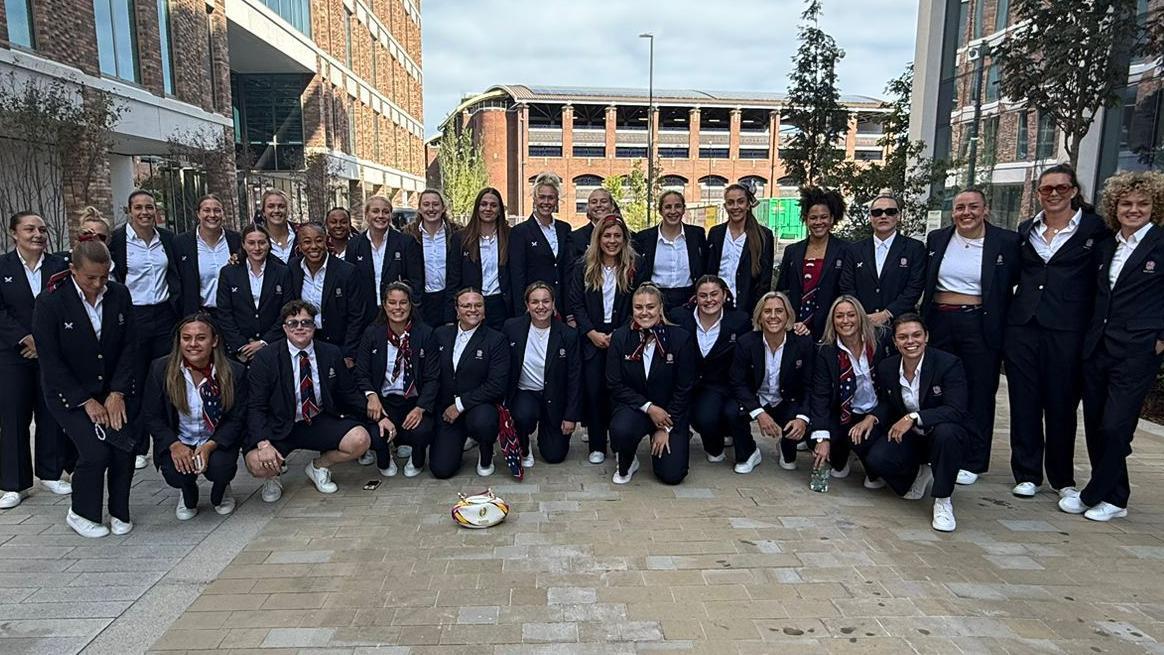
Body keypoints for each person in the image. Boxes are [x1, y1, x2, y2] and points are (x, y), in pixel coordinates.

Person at [1059, 171, 1164, 522]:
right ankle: (1116, 498)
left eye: (1142, 204)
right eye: (1126, 204)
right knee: (1095, 421)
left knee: (1116, 426)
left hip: (1138, 348)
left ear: (1155, 206)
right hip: (1098, 346)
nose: (1134, 210)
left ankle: (1095, 492)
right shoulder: (1108, 245)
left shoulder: (1160, 245)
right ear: (1114, 207)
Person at [1006, 164, 1111, 499]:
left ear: (1074, 191)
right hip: (1024, 326)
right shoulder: (1026, 229)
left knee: (1061, 403)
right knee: (1024, 402)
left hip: (1067, 329)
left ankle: (1062, 478)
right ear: (1038, 193)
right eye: (1046, 189)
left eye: (1061, 188)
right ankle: (1026, 472)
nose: (1053, 194)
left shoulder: (1096, 230)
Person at [33, 239, 138, 538]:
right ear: (73, 270)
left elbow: (130, 346)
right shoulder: (51, 302)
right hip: (69, 392)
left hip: (111, 388)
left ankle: (120, 510)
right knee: (94, 453)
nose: (98, 283)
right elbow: (50, 360)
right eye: (91, 277)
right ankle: (82, 512)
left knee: (123, 446)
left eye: (104, 276)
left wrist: (117, 392)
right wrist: (86, 402)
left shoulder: (119, 295)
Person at [921, 189, 1020, 488]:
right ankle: (936, 449)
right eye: (960, 207)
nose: (967, 213)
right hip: (940, 320)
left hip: (979, 322)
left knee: (979, 390)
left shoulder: (1006, 241)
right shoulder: (938, 239)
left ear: (985, 209)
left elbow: (1014, 281)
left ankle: (973, 459)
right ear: (953, 211)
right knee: (938, 388)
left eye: (973, 207)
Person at [244, 300, 372, 501]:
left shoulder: (330, 353)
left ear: (314, 325)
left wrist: (378, 414)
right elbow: (256, 406)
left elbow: (349, 393)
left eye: (306, 322)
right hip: (281, 424)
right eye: (293, 323)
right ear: (284, 328)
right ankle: (272, 475)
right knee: (255, 462)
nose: (300, 327)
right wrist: (263, 444)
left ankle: (318, 467)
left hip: (318, 419)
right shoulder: (266, 358)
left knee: (360, 439)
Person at [871, 313, 970, 532]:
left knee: (948, 434)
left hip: (939, 432)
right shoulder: (888, 367)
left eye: (916, 335)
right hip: (911, 436)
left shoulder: (948, 364)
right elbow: (887, 403)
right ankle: (919, 472)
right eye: (903, 337)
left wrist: (913, 417)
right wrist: (872, 417)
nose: (910, 341)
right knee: (877, 459)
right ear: (895, 342)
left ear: (926, 337)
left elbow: (956, 409)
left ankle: (943, 499)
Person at [0, 212, 73, 509]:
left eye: (41, 229)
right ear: (14, 233)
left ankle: (51, 471)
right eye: (30, 229)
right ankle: (13, 484)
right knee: (13, 416)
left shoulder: (60, 267)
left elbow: (68, 306)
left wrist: (42, 341)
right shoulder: (2, 267)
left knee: (50, 411)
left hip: (50, 351)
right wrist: (23, 338)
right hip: (11, 353)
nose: (37, 234)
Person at [143, 314, 246, 519]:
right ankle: (187, 491)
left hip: (214, 440)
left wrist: (210, 446)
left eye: (201, 338)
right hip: (181, 440)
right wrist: (174, 445)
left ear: (214, 340)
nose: (193, 344)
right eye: (186, 338)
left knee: (220, 468)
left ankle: (222, 487)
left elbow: (237, 419)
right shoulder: (160, 369)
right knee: (174, 472)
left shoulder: (234, 372)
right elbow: (152, 416)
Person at [109, 189, 181, 468]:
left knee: (166, 377)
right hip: (133, 316)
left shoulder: (167, 239)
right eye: (138, 208)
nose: (144, 212)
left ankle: (169, 437)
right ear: (129, 211)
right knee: (135, 380)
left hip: (164, 314)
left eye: (149, 207)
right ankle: (138, 444)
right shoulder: (118, 240)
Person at [568, 215, 643, 464]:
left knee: (619, 392)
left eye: (617, 236)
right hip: (592, 338)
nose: (612, 241)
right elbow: (576, 304)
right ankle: (598, 444)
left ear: (624, 239)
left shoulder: (634, 266)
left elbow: (639, 304)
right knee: (594, 391)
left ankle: (621, 442)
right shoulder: (583, 267)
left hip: (624, 337)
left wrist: (619, 335)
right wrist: (591, 333)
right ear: (598, 238)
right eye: (607, 236)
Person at [606, 283, 696, 485]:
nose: (644, 312)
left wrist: (665, 428)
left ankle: (675, 437)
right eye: (639, 307)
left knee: (672, 475)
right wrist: (649, 408)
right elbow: (614, 384)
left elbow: (684, 388)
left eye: (650, 307)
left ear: (660, 308)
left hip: (670, 413)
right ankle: (627, 459)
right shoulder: (620, 337)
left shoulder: (681, 339)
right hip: (635, 408)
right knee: (621, 430)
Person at [355, 282, 438, 478]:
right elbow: (361, 372)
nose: (397, 308)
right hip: (384, 401)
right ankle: (384, 457)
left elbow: (433, 378)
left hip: (413, 401)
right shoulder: (372, 334)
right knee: (377, 434)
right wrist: (371, 396)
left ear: (411, 305)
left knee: (422, 431)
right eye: (392, 302)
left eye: (403, 302)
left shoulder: (426, 334)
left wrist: (420, 408)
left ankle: (416, 456)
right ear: (384, 305)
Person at [428, 288, 510, 478]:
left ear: (484, 310)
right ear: (457, 310)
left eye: (478, 305)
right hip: (448, 410)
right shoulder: (440, 335)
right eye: (466, 306)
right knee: (441, 469)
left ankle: (485, 450)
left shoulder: (496, 340)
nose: (473, 310)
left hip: (479, 407)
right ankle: (460, 440)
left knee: (483, 422)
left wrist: (460, 404)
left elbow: (497, 385)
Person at [674, 275, 753, 470]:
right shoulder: (679, 317)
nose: (709, 300)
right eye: (703, 295)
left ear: (724, 294)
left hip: (717, 385)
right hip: (685, 383)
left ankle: (716, 446)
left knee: (706, 417)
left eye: (714, 294)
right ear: (696, 298)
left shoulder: (739, 320)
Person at [730, 291, 814, 471]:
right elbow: (738, 383)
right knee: (731, 411)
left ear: (788, 315)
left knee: (789, 463)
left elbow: (809, 385)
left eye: (779, 311)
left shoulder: (802, 342)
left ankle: (786, 447)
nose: (773, 316)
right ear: (759, 316)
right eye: (767, 311)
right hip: (757, 398)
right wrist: (758, 412)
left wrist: (802, 418)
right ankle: (749, 452)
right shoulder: (746, 343)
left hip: (787, 400)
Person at [808, 295, 886, 483]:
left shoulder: (881, 341)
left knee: (874, 472)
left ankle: (873, 463)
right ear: (832, 321)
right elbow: (820, 395)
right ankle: (843, 457)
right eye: (839, 316)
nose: (845, 321)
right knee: (815, 437)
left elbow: (892, 391)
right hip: (845, 413)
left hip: (877, 411)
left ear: (860, 317)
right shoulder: (826, 351)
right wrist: (822, 438)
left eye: (851, 315)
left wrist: (874, 416)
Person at [503, 282, 581, 466]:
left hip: (555, 398)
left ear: (553, 304)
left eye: (546, 301)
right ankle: (523, 442)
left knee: (554, 455)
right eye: (535, 302)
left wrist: (570, 416)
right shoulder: (511, 328)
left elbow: (575, 377)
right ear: (527, 305)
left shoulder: (568, 335)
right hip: (526, 393)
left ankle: (548, 434)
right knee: (522, 415)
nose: (541, 307)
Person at [838, 194, 926, 329]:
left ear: (898, 216)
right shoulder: (854, 250)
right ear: (871, 217)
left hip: (901, 324)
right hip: (862, 323)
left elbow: (915, 287)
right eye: (877, 212)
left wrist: (887, 314)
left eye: (890, 212)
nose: (883, 216)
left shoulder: (914, 248)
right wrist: (861, 314)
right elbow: (847, 286)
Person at [288, 223, 367, 365]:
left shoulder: (346, 271)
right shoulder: (292, 268)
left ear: (326, 241)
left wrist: (348, 352)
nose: (313, 246)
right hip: (302, 341)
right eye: (307, 242)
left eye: (319, 240)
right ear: (299, 246)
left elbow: (356, 316)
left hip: (337, 345)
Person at [777, 186, 850, 340]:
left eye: (823, 217)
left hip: (831, 328)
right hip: (796, 327)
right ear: (806, 219)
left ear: (832, 219)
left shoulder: (845, 250)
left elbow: (848, 291)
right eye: (813, 217)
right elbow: (782, 289)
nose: (818, 222)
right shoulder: (792, 251)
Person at [215, 224, 292, 363]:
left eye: (262, 242)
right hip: (240, 354)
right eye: (251, 243)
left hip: (274, 349)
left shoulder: (283, 272)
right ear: (243, 245)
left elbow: (286, 312)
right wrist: (241, 346)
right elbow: (224, 313)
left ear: (269, 244)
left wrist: (264, 342)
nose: (257, 248)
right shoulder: (228, 273)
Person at [345, 195, 422, 323]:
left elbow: (416, 281)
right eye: (375, 211)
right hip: (364, 315)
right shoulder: (354, 245)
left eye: (385, 212)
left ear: (390, 216)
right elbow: (350, 283)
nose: (380, 216)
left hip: (398, 314)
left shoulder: (406, 243)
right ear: (366, 214)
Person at [449, 188, 512, 329]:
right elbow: (453, 278)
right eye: (484, 204)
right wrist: (450, 314)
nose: (488, 208)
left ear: (500, 209)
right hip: (471, 307)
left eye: (493, 205)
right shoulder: (460, 238)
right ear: (477, 207)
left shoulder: (511, 236)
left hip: (501, 306)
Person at [708, 184, 774, 316]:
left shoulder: (763, 235)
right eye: (730, 202)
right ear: (725, 206)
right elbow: (709, 270)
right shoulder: (716, 233)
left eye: (741, 201)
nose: (736, 207)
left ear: (748, 205)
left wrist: (756, 311)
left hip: (746, 309)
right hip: (716, 306)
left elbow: (764, 280)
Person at [510, 173, 574, 310]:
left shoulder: (564, 229)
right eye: (542, 197)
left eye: (551, 198)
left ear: (557, 200)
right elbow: (517, 275)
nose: (546, 202)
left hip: (560, 305)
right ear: (534, 199)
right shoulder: (520, 232)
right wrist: (522, 309)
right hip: (534, 306)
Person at [634, 191, 707, 311]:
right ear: (660, 211)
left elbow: (704, 266)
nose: (673, 211)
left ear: (684, 209)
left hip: (689, 300)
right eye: (668, 207)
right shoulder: (644, 238)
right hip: (655, 300)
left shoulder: (697, 235)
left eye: (677, 206)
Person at [174, 194, 242, 318]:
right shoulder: (181, 243)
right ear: (198, 214)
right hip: (198, 316)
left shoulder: (236, 240)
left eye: (217, 210)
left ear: (223, 213)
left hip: (233, 315)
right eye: (206, 210)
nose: (212, 215)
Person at [404, 189, 458, 326]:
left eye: (435, 204)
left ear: (443, 208)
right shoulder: (408, 235)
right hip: (420, 302)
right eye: (426, 204)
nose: (431, 209)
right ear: (420, 209)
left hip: (450, 299)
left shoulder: (457, 233)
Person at [570, 187, 621, 266]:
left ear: (612, 206)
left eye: (603, 201)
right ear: (588, 208)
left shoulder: (630, 237)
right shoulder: (575, 238)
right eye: (594, 202)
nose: (598, 205)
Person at [258, 189, 297, 263]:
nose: (276, 210)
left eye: (281, 206)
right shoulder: (257, 239)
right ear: (263, 212)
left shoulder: (300, 233)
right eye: (271, 206)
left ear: (287, 210)